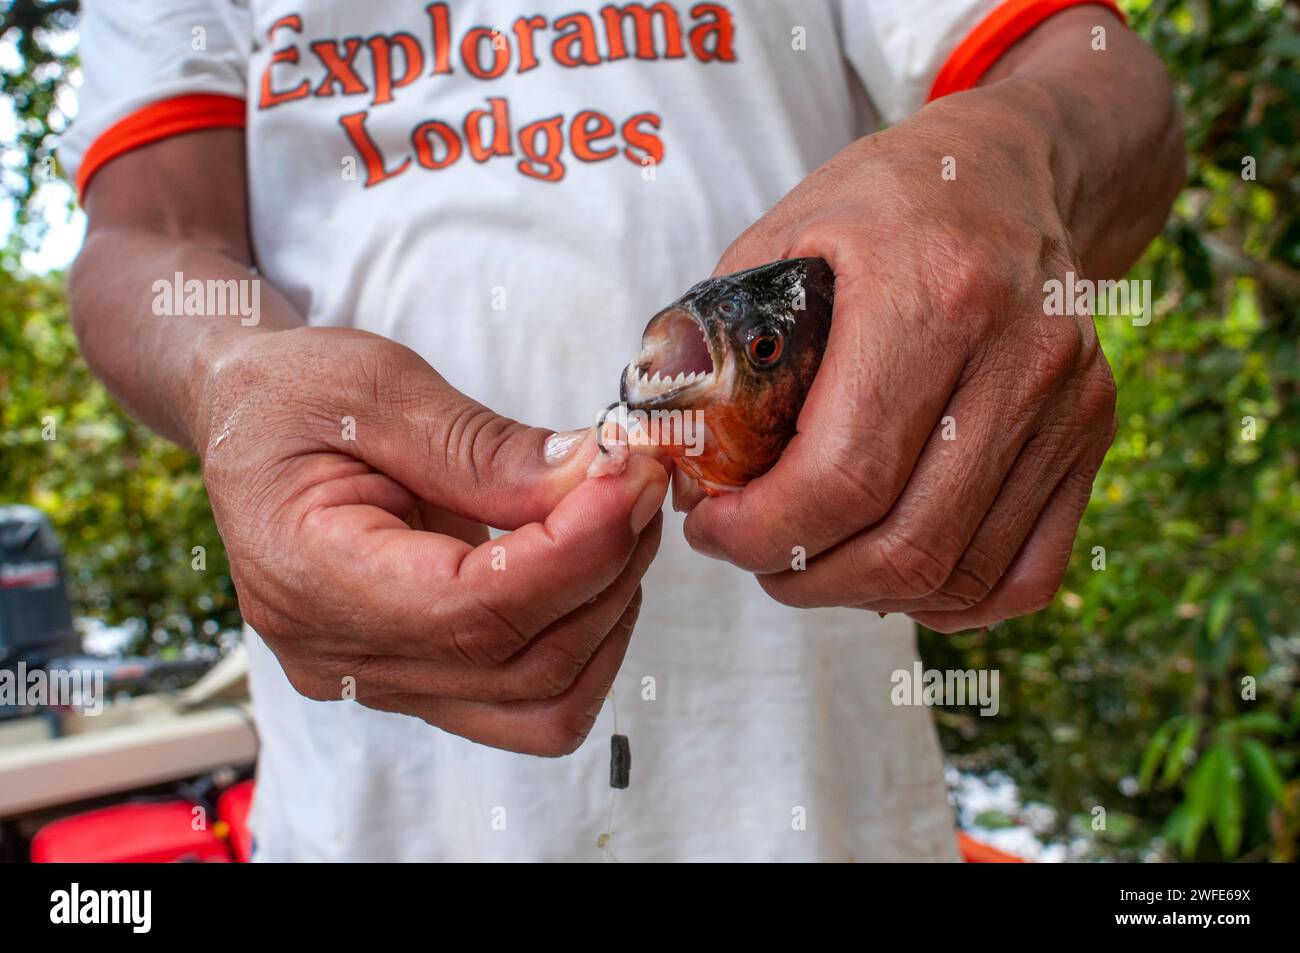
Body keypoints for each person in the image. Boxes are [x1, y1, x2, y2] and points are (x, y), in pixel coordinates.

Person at [61, 0, 1181, 861]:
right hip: (371, 812)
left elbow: (1096, 77)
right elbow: (146, 239)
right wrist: (231, 372)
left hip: (824, 807)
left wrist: (1008, 161)